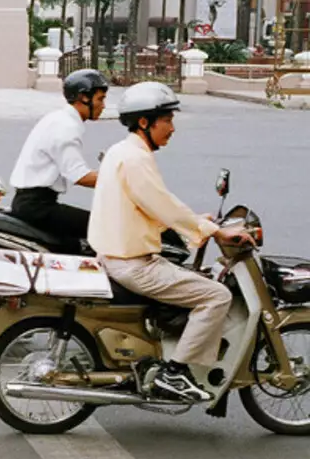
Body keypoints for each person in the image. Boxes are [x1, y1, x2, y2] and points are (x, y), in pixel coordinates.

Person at [88, 81, 254, 403]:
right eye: (167, 120)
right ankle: (174, 372)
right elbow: (162, 204)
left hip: (116, 255)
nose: (173, 128)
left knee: (194, 277)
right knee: (216, 296)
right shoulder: (136, 159)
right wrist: (215, 231)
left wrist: (197, 222)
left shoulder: (122, 152)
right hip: (133, 263)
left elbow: (150, 206)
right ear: (145, 122)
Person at [8, 69, 109, 250]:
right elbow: (80, 175)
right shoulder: (66, 128)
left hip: (32, 203)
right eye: (100, 99)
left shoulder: (59, 119)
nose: (104, 105)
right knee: (103, 227)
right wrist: (119, 178)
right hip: (37, 208)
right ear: (84, 98)